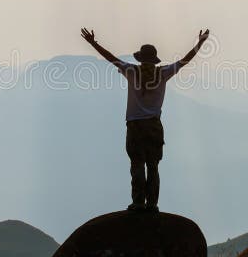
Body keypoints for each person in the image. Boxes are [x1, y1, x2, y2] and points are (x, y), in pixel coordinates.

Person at [81, 27, 210, 212]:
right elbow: (184, 61)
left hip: (135, 126)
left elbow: (111, 58)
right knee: (153, 166)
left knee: (137, 164)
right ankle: (152, 204)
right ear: (154, 59)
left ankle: (138, 203)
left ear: (140, 59)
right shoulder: (163, 73)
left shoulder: (131, 71)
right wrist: (201, 43)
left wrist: (93, 43)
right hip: (154, 127)